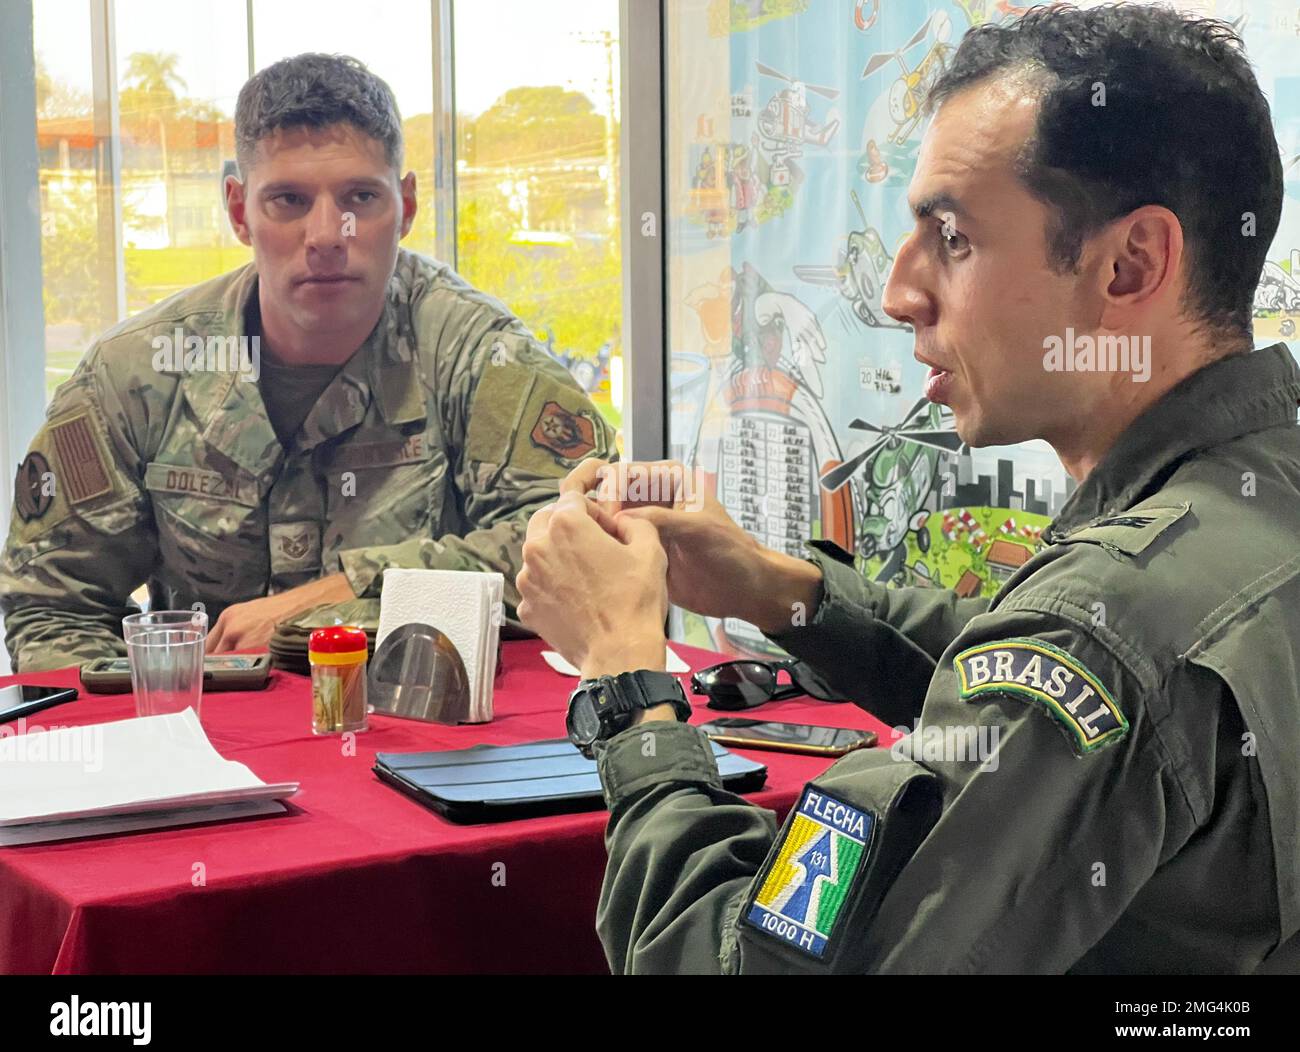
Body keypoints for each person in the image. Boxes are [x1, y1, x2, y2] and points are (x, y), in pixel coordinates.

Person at [516, 5, 1300, 973]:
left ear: (1129, 264)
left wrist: (627, 685)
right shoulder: (1250, 503)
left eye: (955, 239)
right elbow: (1048, 697)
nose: (899, 293)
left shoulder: (1102, 626)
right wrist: (781, 590)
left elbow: (728, 965)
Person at [1, 53, 615, 672]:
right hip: (212, 741)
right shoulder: (139, 372)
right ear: (240, 211)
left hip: (430, 736)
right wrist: (145, 732)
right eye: (289, 200)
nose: (326, 234)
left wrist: (345, 592)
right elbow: (51, 601)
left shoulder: (477, 355)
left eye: (360, 197)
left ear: (406, 205)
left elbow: (588, 538)